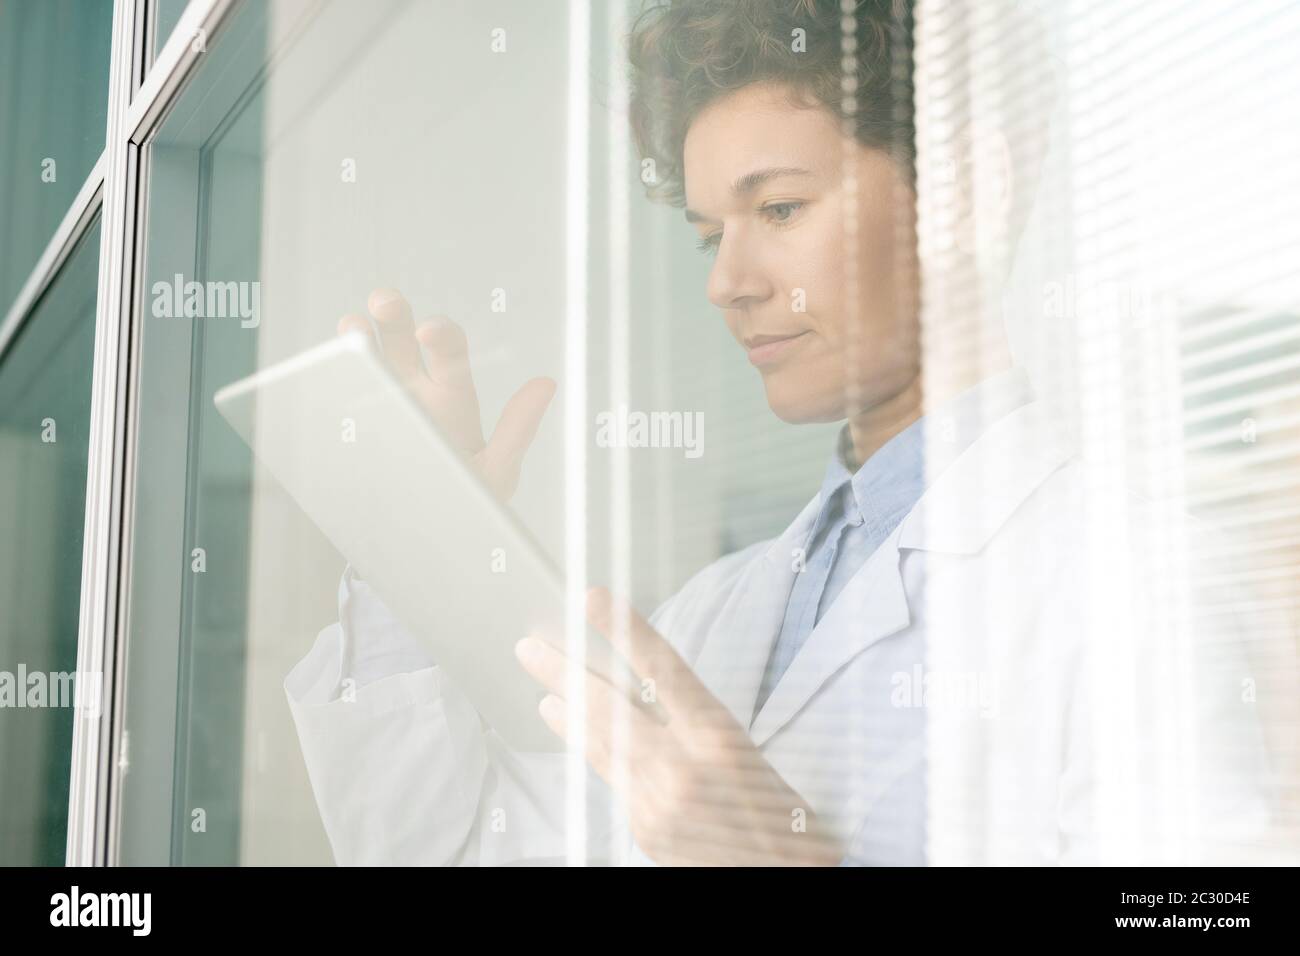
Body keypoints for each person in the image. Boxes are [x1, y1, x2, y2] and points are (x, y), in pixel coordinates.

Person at [284, 0, 1274, 865]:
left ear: (966, 192)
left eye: (782, 207)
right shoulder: (718, 610)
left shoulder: (1135, 579)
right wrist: (409, 541)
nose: (726, 281)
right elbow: (455, 852)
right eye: (713, 235)